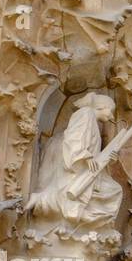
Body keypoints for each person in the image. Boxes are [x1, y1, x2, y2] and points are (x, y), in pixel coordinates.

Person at [26, 93, 125, 229]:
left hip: (85, 165)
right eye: (110, 111)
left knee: (113, 190)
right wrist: (85, 156)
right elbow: (74, 136)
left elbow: (95, 152)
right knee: (105, 190)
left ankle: (49, 204)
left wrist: (110, 158)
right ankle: (42, 201)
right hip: (76, 160)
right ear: (102, 107)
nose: (112, 117)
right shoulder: (86, 114)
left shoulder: (93, 121)